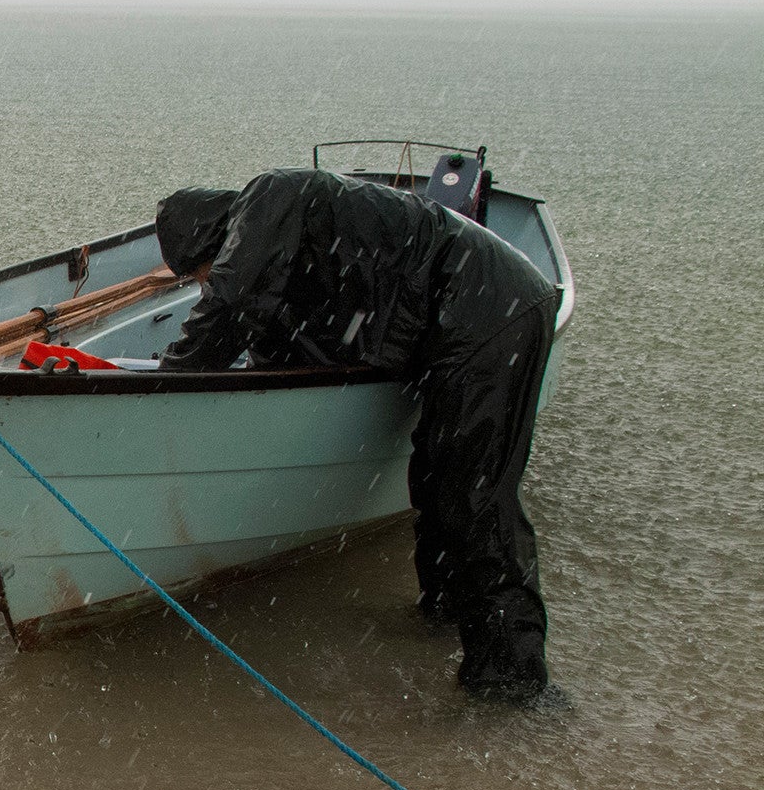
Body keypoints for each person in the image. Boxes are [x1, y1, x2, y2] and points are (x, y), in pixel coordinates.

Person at [153, 168, 561, 702]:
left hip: (491, 305)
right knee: (436, 479)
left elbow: (230, 303)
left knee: (475, 497)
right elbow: (281, 331)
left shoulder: (269, 197)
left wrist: (163, 381)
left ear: (212, 239)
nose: (204, 284)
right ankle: (441, 617)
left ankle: (514, 686)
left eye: (200, 273)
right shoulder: (285, 237)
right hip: (460, 314)